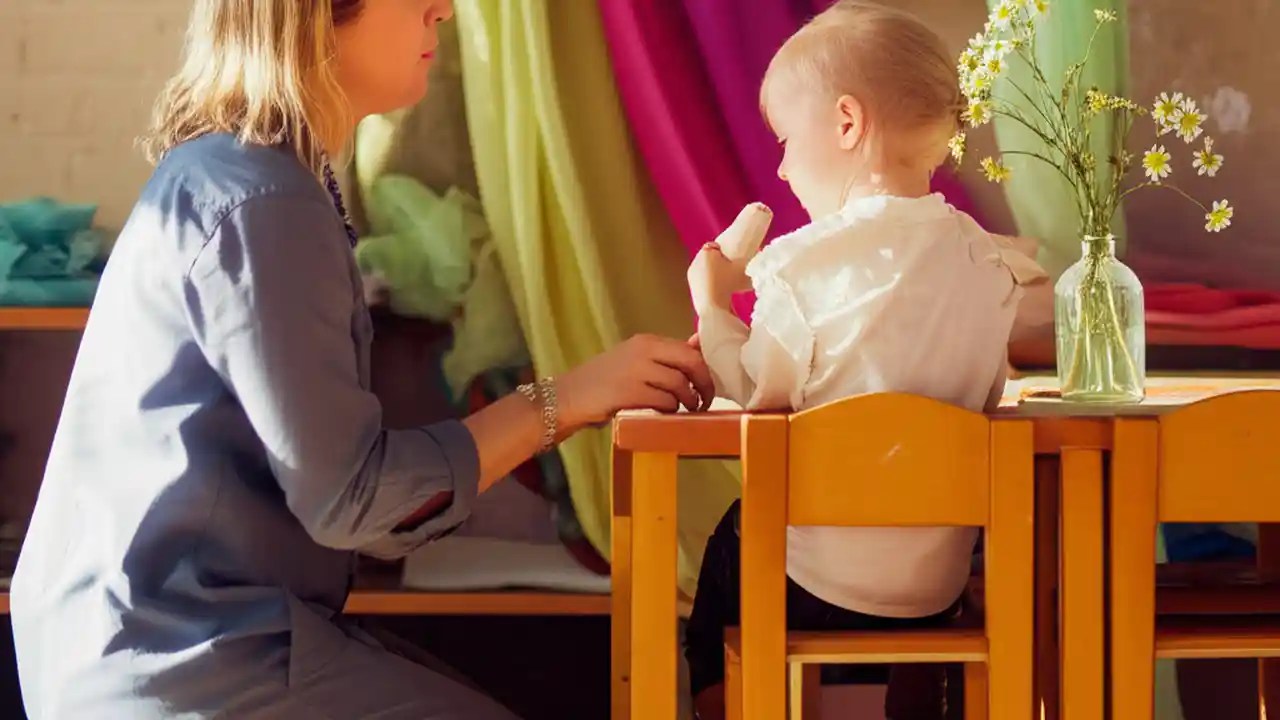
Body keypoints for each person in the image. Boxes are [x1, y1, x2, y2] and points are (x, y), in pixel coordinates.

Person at [9, 1, 714, 717]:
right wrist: (562, 401)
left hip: (141, 639)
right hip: (176, 657)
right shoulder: (263, 198)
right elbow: (353, 501)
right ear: (317, 17)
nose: (442, 9)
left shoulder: (241, 174)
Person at [683, 2, 1045, 717]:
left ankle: (721, 702)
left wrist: (713, 307)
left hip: (808, 583)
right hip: (934, 587)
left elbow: (758, 390)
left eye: (786, 140)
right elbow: (989, 395)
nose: (782, 168)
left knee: (725, 558)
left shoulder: (802, 267)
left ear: (847, 123)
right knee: (940, 592)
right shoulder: (988, 263)